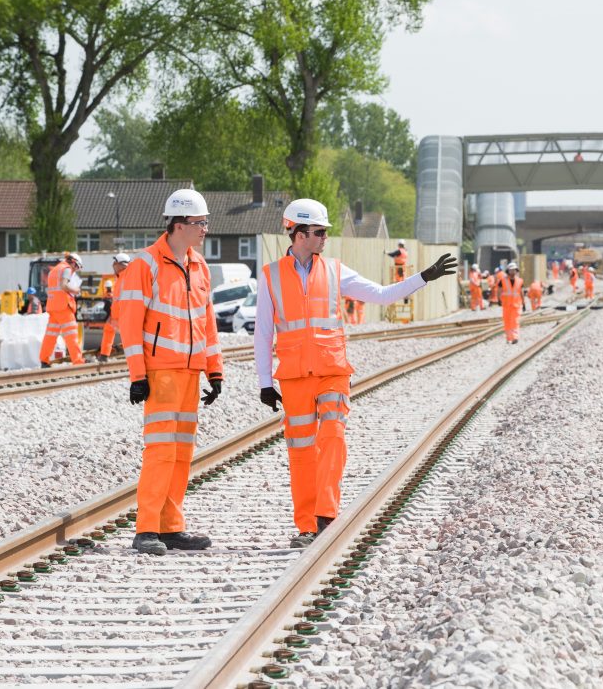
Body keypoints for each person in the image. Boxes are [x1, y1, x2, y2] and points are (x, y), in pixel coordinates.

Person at [255, 199, 457, 548]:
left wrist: (424, 277)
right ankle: (306, 526)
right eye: (319, 232)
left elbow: (381, 295)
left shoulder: (335, 271)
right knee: (300, 452)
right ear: (299, 234)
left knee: (333, 438)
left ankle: (326, 516)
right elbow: (262, 333)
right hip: (294, 377)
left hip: (332, 371)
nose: (325, 238)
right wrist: (264, 383)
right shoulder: (271, 275)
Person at [117, 189, 223, 556]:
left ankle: (171, 526)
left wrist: (215, 370)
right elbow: (129, 323)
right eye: (200, 223)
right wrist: (137, 375)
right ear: (179, 225)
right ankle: (146, 528)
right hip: (160, 374)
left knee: (181, 454)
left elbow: (207, 323)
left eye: (205, 222)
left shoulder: (200, 266)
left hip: (190, 374)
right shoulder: (145, 265)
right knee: (160, 452)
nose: (205, 229)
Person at [39, 252, 85, 367]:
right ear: (74, 263)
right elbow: (64, 285)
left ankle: (44, 360)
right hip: (64, 307)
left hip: (53, 307)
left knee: (50, 335)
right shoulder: (67, 269)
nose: (75, 270)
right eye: (77, 267)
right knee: (72, 335)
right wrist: (75, 290)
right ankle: (78, 362)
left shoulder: (54, 270)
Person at [97, 252, 131, 363]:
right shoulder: (120, 277)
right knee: (108, 330)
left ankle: (135, 358)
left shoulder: (127, 277)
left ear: (121, 265)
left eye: (115, 263)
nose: (113, 265)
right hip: (116, 315)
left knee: (130, 337)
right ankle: (104, 355)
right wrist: (111, 315)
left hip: (123, 315)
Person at [496, 262, 524, 343]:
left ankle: (515, 337)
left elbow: (521, 292)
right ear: (508, 271)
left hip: (516, 305)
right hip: (506, 305)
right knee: (507, 322)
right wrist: (499, 300)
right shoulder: (502, 280)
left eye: (514, 270)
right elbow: (499, 290)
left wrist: (524, 303)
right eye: (511, 270)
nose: (512, 272)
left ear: (516, 271)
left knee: (515, 321)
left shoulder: (520, 281)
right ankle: (509, 338)